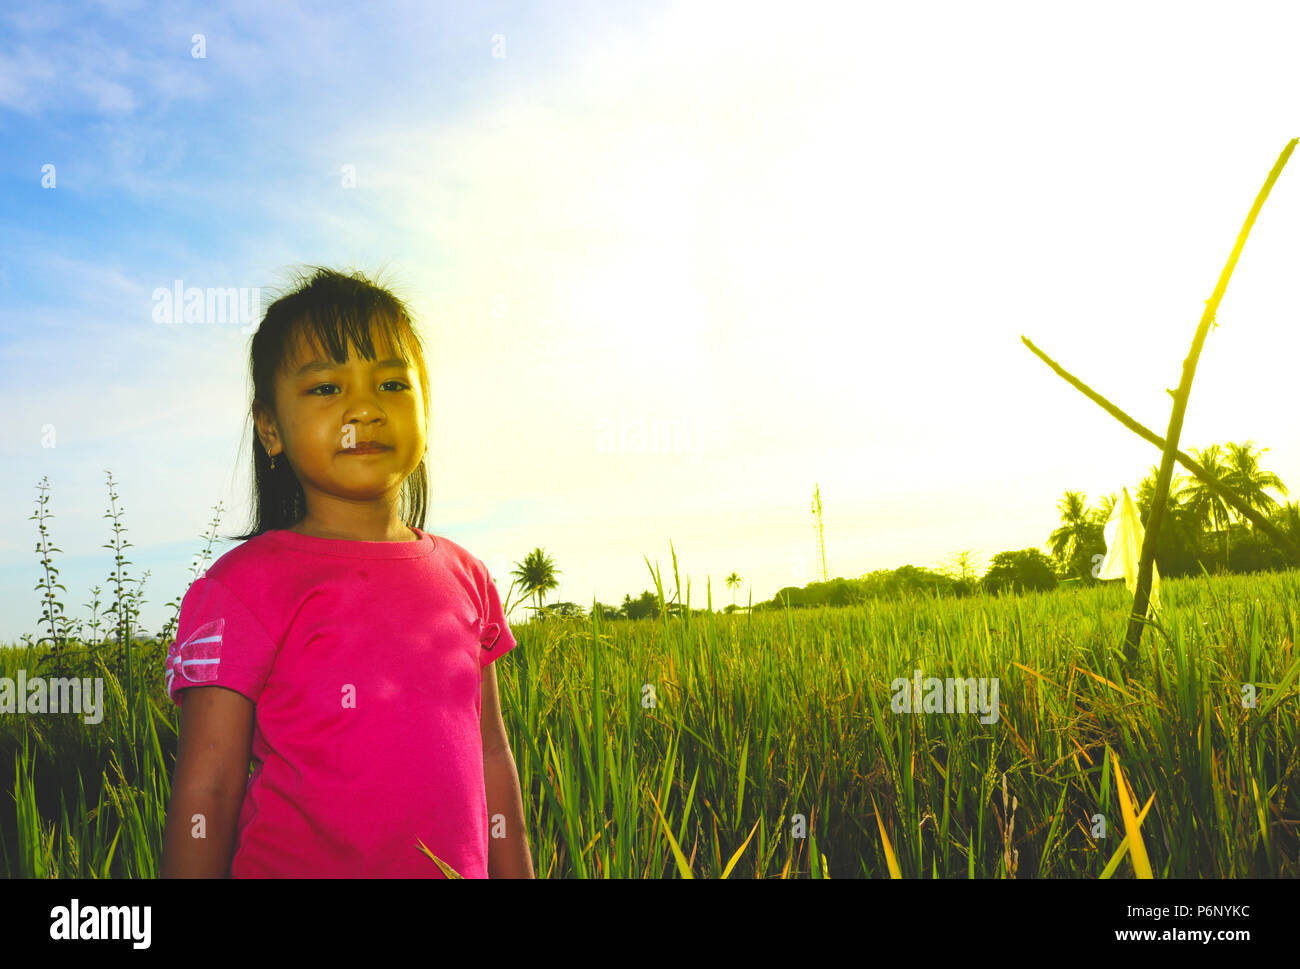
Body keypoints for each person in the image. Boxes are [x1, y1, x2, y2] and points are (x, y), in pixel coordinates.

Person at [159, 266, 533, 878]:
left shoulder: (467, 577)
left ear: (425, 409)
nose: (364, 406)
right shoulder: (241, 588)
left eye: (390, 383)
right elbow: (209, 790)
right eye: (327, 389)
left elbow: (492, 755)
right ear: (270, 428)